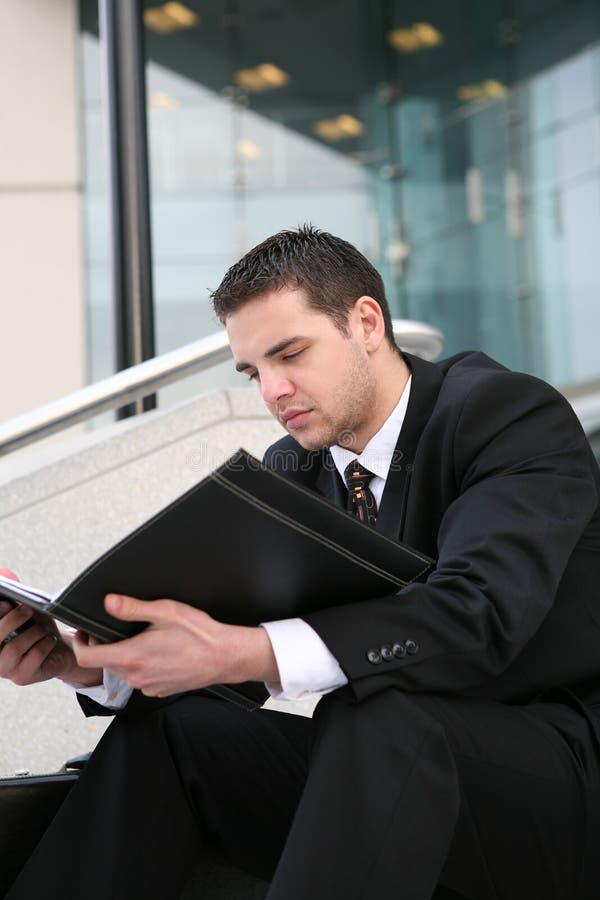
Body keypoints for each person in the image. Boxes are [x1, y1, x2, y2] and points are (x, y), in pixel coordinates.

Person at [1, 225, 600, 900]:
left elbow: (478, 615)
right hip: (388, 774)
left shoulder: (504, 415)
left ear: (366, 322)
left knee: (375, 714)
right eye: (255, 371)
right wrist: (87, 662)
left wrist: (246, 651)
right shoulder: (294, 469)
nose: (274, 391)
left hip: (559, 779)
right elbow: (228, 658)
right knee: (180, 732)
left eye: (291, 354)